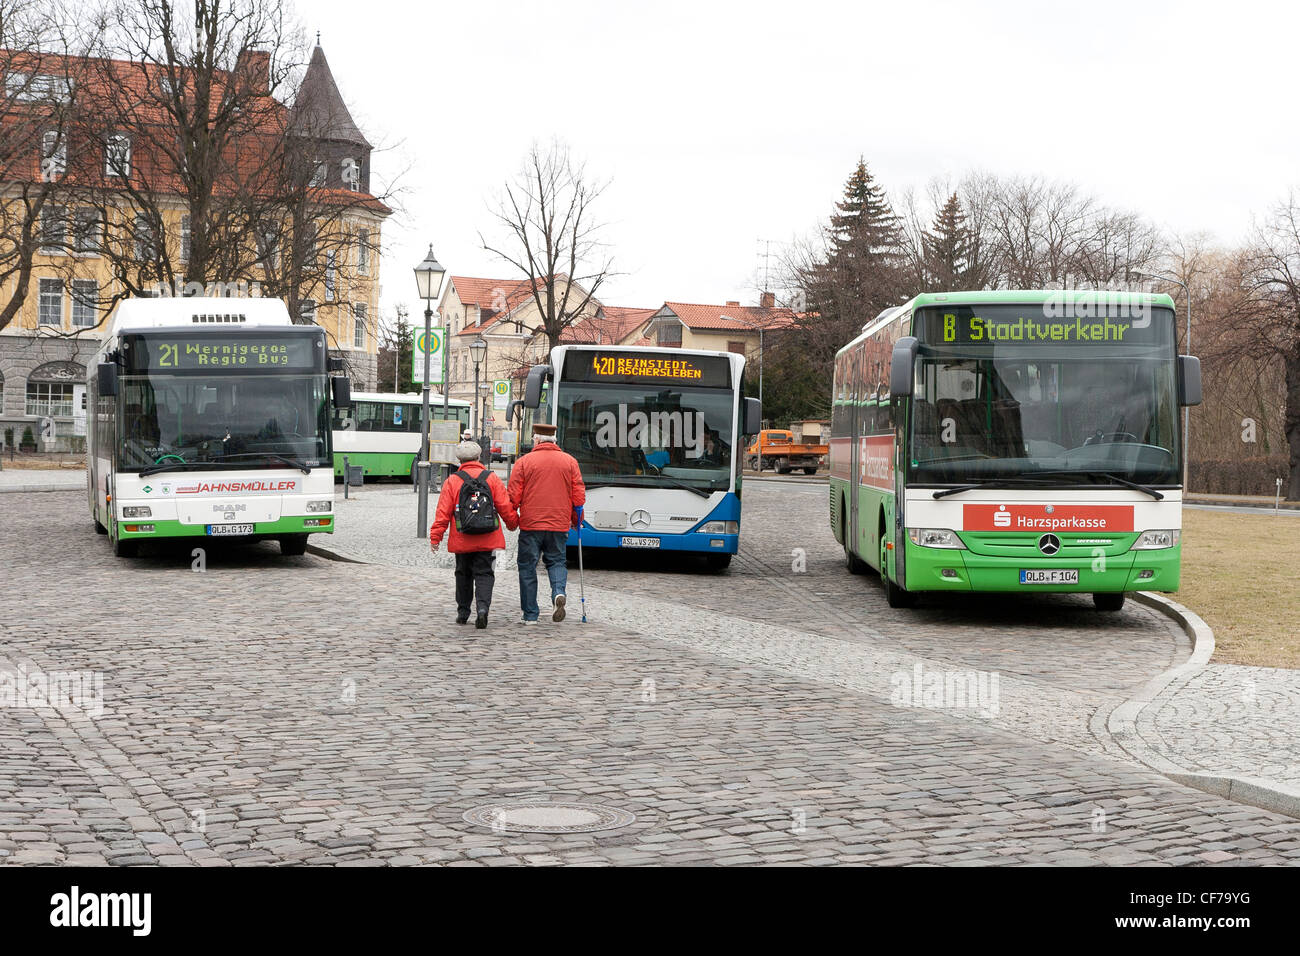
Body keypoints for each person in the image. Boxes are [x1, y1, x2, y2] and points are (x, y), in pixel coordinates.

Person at [429, 441, 518, 629]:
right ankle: (483, 610)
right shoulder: (491, 478)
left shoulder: (453, 481)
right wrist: (512, 523)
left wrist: (435, 537)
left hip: (462, 537)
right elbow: (504, 506)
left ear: (460, 460)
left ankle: (463, 613)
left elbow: (443, 512)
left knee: (463, 574)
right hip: (488, 536)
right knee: (485, 573)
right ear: (479, 457)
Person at [508, 422, 585, 625]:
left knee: (527, 567)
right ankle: (558, 593)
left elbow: (513, 496)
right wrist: (577, 521)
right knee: (557, 562)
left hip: (531, 524)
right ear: (554, 440)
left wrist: (512, 520)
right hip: (558, 524)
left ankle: (530, 614)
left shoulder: (524, 462)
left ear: (536, 439)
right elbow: (578, 497)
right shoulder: (570, 462)